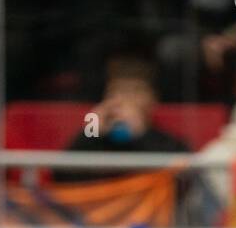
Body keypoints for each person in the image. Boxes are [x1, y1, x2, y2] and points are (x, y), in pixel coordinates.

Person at [57, 57, 190, 178]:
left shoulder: (167, 142)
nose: (125, 99)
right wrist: (92, 131)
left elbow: (181, 180)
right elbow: (61, 176)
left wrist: (141, 134)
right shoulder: (94, 138)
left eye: (136, 91)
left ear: (153, 99)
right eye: (117, 91)